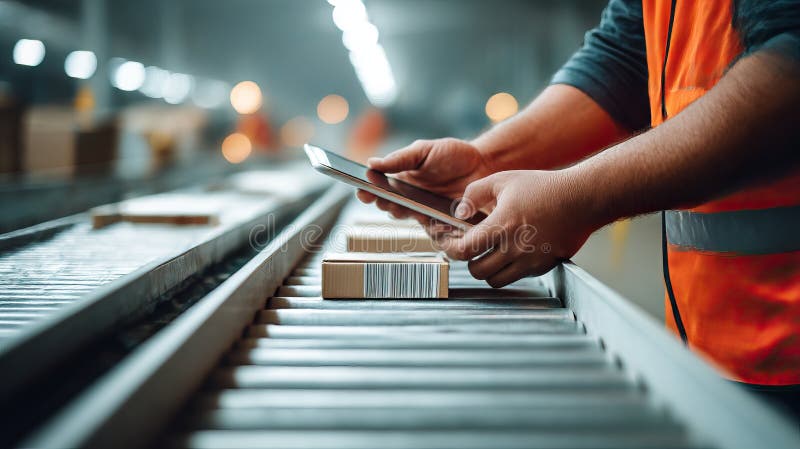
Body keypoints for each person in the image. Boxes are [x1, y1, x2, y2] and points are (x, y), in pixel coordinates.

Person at [357, 0, 800, 414]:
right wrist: (487, 160)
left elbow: (790, 74)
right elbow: (624, 61)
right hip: (715, 347)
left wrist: (574, 197)